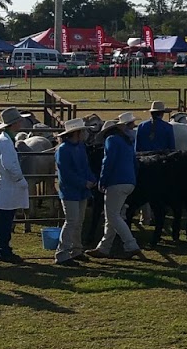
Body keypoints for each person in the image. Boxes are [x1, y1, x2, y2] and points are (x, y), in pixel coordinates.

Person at [93, 112, 143, 259]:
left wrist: (103, 180)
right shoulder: (127, 142)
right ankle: (104, 247)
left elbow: (108, 162)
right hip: (129, 181)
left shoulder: (112, 140)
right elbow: (135, 163)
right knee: (114, 215)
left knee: (113, 216)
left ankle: (131, 244)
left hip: (116, 182)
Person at [0, 107, 36, 263]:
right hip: (9, 185)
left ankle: (0, 248)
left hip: (7, 185)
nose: (21, 122)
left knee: (4, 219)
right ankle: (3, 250)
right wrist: (21, 180)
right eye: (19, 120)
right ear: (14, 123)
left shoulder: (6, 139)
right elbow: (10, 165)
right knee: (5, 219)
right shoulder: (5, 141)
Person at [53, 119, 98, 266]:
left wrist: (91, 179)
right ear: (76, 133)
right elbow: (66, 173)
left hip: (81, 190)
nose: (85, 133)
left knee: (78, 221)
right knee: (72, 221)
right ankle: (62, 253)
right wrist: (84, 182)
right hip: (70, 190)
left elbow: (85, 167)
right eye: (83, 131)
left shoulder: (80, 146)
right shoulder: (63, 149)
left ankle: (76, 250)